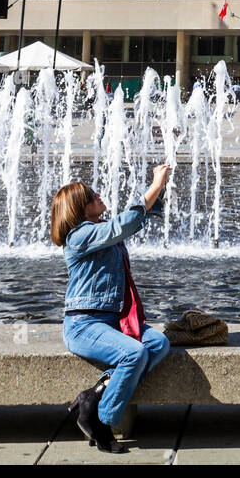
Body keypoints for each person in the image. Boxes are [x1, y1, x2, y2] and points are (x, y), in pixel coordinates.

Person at [50, 165, 172, 454]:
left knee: (158, 343)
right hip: (85, 325)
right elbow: (123, 225)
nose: (99, 196)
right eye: (92, 196)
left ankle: (93, 395)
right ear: (80, 209)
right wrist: (153, 185)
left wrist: (161, 185)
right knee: (134, 353)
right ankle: (102, 420)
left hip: (113, 322)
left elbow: (142, 216)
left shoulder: (100, 231)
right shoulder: (79, 237)